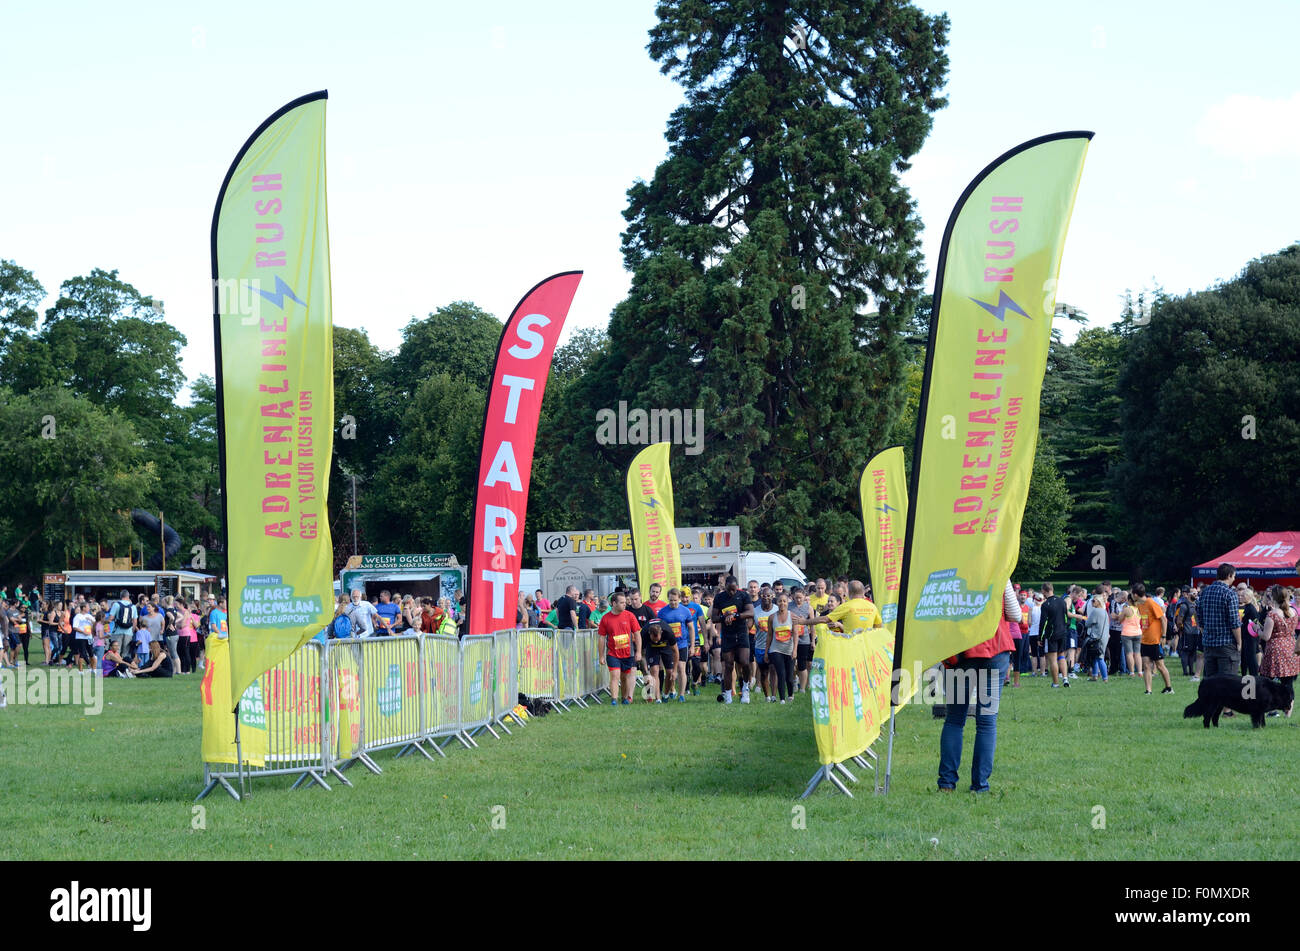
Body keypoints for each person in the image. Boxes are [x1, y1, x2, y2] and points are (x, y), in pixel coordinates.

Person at [937, 580, 1020, 792]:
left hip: (961, 649)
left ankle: (947, 783)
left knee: (955, 720)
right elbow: (1015, 614)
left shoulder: (952, 566)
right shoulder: (1000, 563)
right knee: (987, 723)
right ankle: (980, 785)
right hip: (995, 647)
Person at [710, 575, 754, 704]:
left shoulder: (744, 595)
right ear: (726, 587)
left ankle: (745, 689)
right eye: (729, 590)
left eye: (734, 589)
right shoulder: (719, 597)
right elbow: (714, 617)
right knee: (728, 665)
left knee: (744, 662)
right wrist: (725, 617)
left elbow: (751, 613)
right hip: (728, 634)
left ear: (737, 587)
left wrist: (735, 615)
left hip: (741, 632)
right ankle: (728, 694)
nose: (732, 592)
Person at [1196, 563, 1242, 679]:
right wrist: (1239, 642)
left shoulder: (1204, 592)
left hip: (1209, 644)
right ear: (1229, 575)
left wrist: (1205, 633)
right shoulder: (1230, 593)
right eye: (1234, 576)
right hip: (1226, 644)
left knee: (1211, 684)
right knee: (1228, 683)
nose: (1234, 579)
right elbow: (1234, 622)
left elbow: (1199, 618)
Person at [1259, 584, 1299, 712]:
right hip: (1290, 647)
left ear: (1273, 598)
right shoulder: (1294, 611)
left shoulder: (1273, 614)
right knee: (1287, 683)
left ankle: (1271, 708)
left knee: (1266, 681)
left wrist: (1256, 630)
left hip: (1276, 649)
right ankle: (1288, 709)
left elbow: (1266, 636)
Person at [597, 591, 641, 705]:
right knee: (615, 675)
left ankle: (625, 698)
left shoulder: (630, 615)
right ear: (614, 603)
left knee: (625, 677)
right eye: (621, 603)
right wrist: (601, 655)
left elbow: (637, 634)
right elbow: (601, 638)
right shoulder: (605, 618)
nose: (625, 604)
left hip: (628, 652)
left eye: (625, 602)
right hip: (612, 653)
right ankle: (614, 700)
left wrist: (639, 651)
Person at [1132, 583, 1172, 695]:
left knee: (1160, 666)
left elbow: (1163, 620)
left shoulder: (1151, 603)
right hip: (1144, 640)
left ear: (1135, 594)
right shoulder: (1140, 604)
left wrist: (1163, 636)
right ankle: (1148, 690)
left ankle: (1169, 688)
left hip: (1155, 640)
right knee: (1146, 665)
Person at [658, 588, 695, 702]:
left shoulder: (685, 611)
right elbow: (658, 629)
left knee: (680, 668)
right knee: (669, 670)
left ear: (679, 599)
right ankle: (671, 690)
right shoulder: (662, 612)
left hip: (682, 644)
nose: (673, 602)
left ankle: (682, 695)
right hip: (667, 645)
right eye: (670, 600)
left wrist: (692, 645)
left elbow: (691, 628)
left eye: (675, 600)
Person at [765, 592, 798, 703]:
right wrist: (766, 652)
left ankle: (790, 695)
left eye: (784, 601)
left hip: (789, 649)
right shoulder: (771, 617)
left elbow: (796, 634)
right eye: (780, 601)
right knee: (781, 673)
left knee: (789, 676)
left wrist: (795, 650)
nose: (782, 603)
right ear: (777, 602)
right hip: (776, 649)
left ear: (788, 602)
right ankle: (782, 699)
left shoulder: (792, 616)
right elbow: (769, 635)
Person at [1037, 582, 1071, 688]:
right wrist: (1065, 628)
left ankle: (1056, 683)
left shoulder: (1045, 605)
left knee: (1052, 659)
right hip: (1062, 633)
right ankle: (1065, 678)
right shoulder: (1062, 601)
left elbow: (1043, 622)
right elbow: (1066, 617)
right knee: (1061, 656)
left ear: (1043, 591)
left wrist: (1040, 637)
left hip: (1052, 634)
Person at [752, 587, 777, 700]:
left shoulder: (777, 610)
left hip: (775, 645)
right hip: (760, 645)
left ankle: (774, 696)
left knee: (773, 670)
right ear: (760, 596)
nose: (766, 598)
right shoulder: (755, 610)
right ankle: (767, 696)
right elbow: (749, 625)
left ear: (772, 596)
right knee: (763, 673)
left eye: (768, 595)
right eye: (763, 595)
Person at [1237, 583, 1261, 678]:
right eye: (1241, 595)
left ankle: (1254, 675)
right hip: (1245, 636)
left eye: (1243, 595)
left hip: (1251, 637)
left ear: (1249, 597)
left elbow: (1256, 622)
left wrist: (1256, 634)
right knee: (1244, 657)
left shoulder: (1251, 608)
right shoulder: (1247, 607)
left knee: (1251, 657)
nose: (1241, 597)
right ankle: (1244, 675)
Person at [1085, 593, 1109, 682]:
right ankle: (1094, 676)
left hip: (1096, 638)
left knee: (1099, 657)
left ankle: (1105, 678)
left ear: (1098, 602)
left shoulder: (1095, 611)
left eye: (1093, 600)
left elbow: (1087, 623)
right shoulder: (1104, 611)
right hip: (1104, 637)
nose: (1092, 602)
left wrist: (1086, 620)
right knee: (1095, 656)